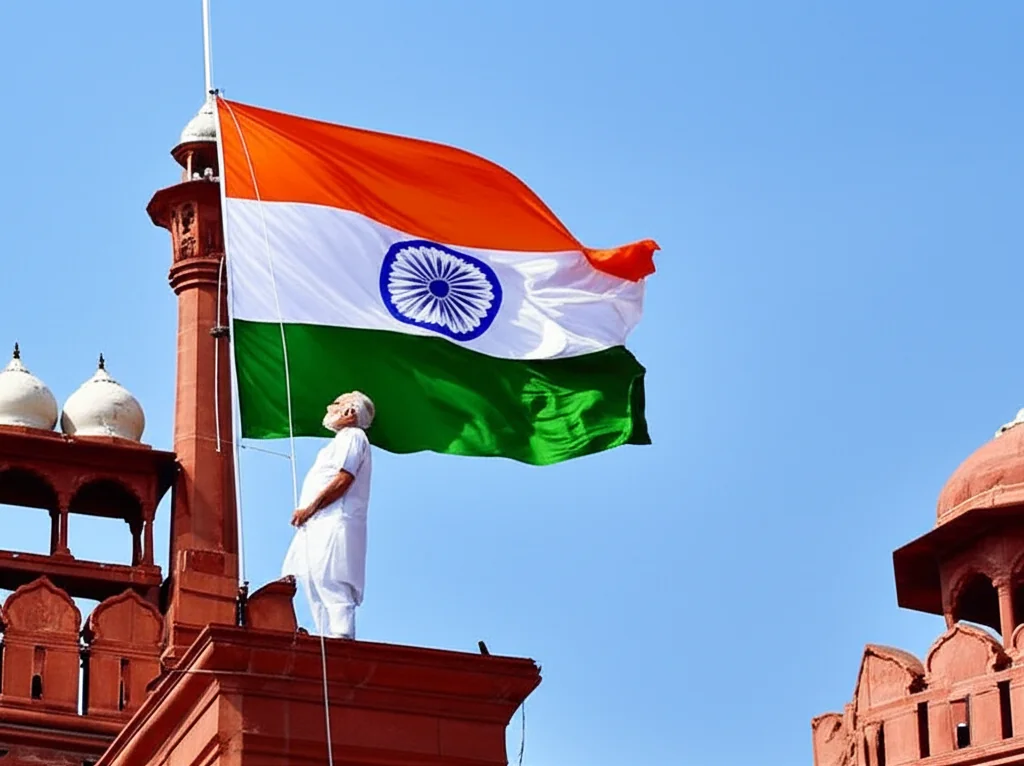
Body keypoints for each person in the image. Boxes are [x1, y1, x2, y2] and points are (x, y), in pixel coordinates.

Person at [282, 391, 374, 639]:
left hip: (334, 521)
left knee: (331, 579)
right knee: (313, 582)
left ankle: (341, 639)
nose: (329, 407)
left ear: (349, 412)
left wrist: (310, 508)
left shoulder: (353, 437)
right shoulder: (339, 442)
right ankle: (326, 640)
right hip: (318, 523)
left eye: (336, 404)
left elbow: (345, 478)